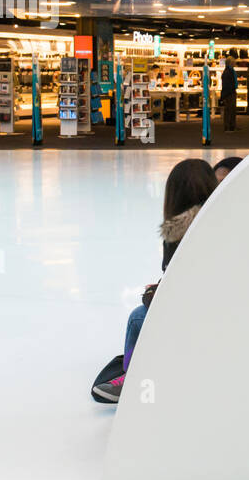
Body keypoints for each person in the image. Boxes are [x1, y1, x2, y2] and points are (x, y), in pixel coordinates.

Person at [91, 158, 220, 403]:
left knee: (137, 318)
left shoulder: (180, 230)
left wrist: (160, 293)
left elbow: (186, 285)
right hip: (216, 303)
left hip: (200, 310)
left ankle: (131, 376)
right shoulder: (219, 221)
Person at [221, 57, 239, 132]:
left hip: (231, 92)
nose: (235, 63)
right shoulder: (228, 72)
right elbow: (226, 84)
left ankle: (232, 126)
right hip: (229, 93)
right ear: (230, 63)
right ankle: (228, 127)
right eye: (234, 62)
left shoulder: (230, 70)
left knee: (232, 110)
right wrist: (231, 90)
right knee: (229, 110)